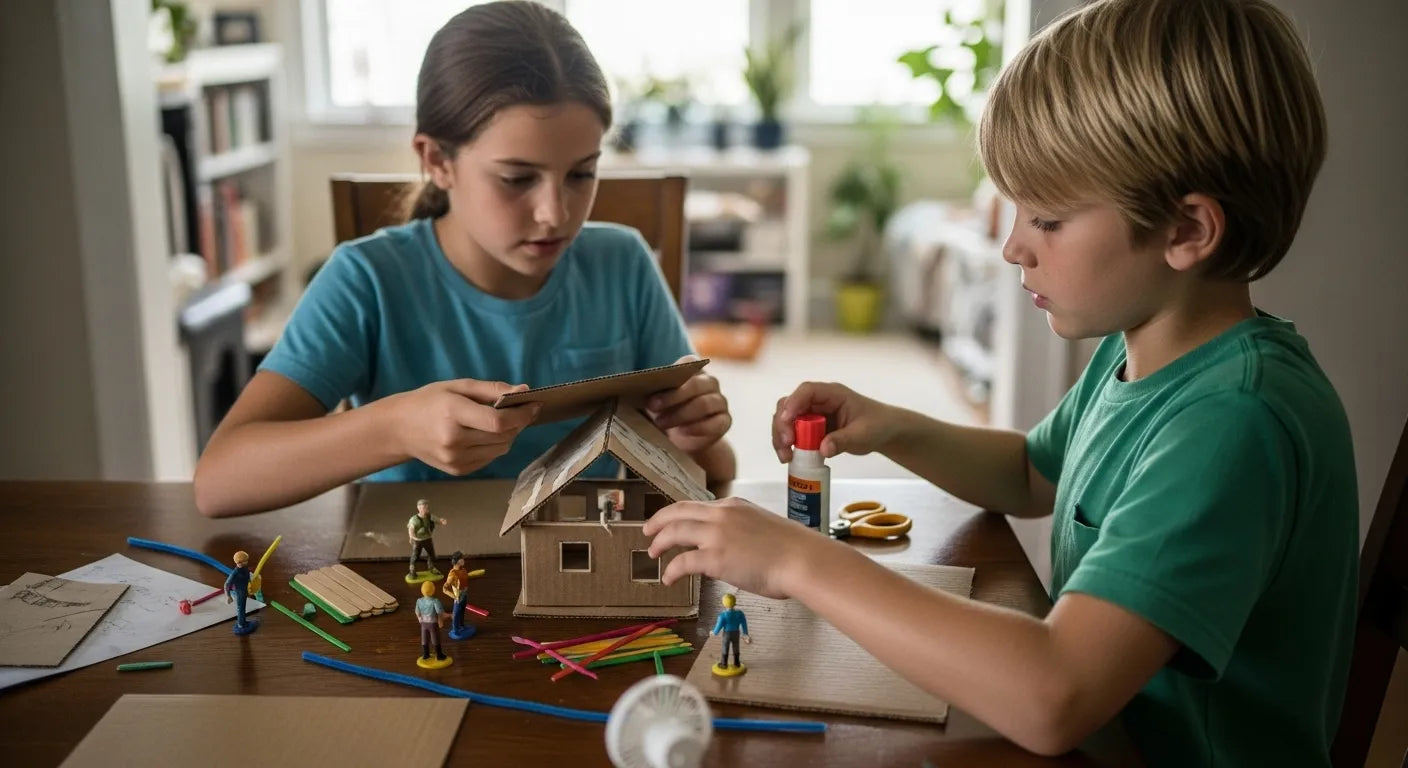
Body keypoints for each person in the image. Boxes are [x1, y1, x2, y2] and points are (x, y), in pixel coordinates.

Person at [644, 0, 1358, 763]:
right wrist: (891, 425)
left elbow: (1054, 695)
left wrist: (797, 560)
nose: (1014, 245)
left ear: (1186, 230)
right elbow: (1031, 472)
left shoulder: (1231, 422)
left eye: (1047, 219)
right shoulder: (1147, 354)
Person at [192, 0, 734, 518]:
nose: (554, 213)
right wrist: (395, 427)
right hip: (416, 577)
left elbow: (716, 471)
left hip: (589, 569)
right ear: (436, 161)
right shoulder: (367, 280)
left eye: (581, 173)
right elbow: (219, 482)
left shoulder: (623, 263)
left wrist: (692, 437)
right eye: (517, 179)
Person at [710, 593, 751, 677]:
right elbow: (744, 624)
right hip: (736, 633)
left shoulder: (723, 615)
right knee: (736, 647)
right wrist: (745, 634)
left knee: (725, 647)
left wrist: (714, 632)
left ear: (724, 604)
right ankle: (737, 663)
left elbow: (719, 626)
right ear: (734, 602)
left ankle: (724, 664)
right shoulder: (740, 613)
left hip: (727, 634)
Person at [407, 499, 448, 581]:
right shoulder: (414, 520)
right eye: (424, 507)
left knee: (431, 555)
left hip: (427, 539)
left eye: (426, 507)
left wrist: (441, 521)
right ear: (419, 508)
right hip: (418, 540)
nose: (426, 509)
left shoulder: (429, 516)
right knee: (415, 556)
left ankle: (431, 568)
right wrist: (412, 538)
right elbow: (411, 530)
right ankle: (412, 571)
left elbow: (437, 520)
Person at [415, 581, 450, 667]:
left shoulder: (419, 601)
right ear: (433, 590)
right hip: (432, 623)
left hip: (423, 623)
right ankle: (439, 655)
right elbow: (440, 613)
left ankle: (426, 654)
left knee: (424, 638)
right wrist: (450, 615)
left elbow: (417, 612)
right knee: (435, 638)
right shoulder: (435, 601)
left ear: (422, 590)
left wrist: (420, 619)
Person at [223, 551, 259, 635]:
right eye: (245, 560)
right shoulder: (235, 573)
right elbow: (227, 584)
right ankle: (241, 625)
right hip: (239, 592)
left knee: (243, 608)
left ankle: (243, 622)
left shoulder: (244, 569)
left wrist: (252, 581)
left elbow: (247, 576)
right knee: (240, 609)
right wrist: (228, 596)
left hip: (244, 590)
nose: (247, 562)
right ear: (239, 562)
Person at [442, 550, 475, 639]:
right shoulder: (452, 575)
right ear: (457, 561)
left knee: (462, 612)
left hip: (464, 595)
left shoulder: (463, 570)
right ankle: (456, 629)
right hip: (458, 598)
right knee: (456, 614)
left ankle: (461, 626)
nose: (463, 560)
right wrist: (454, 596)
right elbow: (444, 589)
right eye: (461, 559)